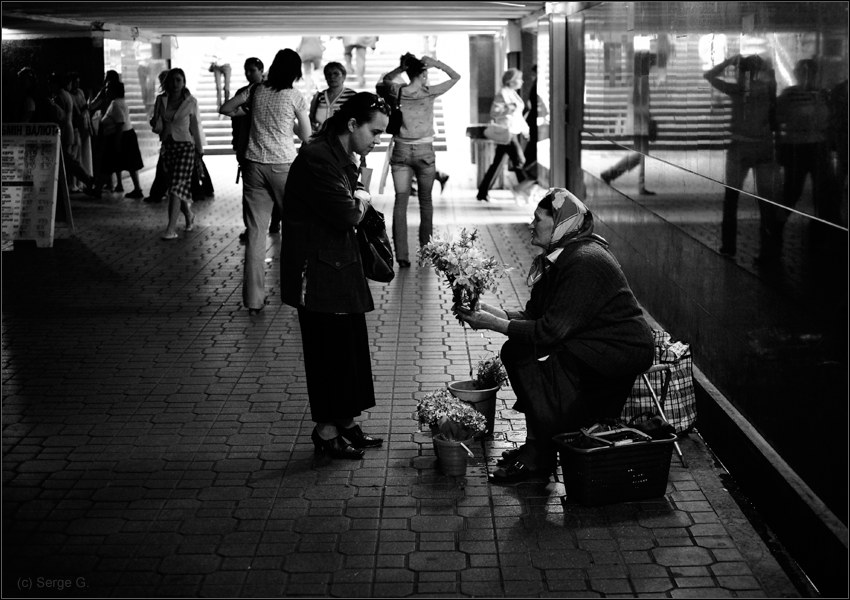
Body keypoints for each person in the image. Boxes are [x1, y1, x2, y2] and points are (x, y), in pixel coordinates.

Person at [455, 188, 654, 484]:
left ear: (560, 223)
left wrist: (490, 323)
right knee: (518, 351)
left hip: (617, 351)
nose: (530, 225)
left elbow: (550, 331)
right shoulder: (561, 255)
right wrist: (487, 310)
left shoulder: (583, 260)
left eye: (538, 219)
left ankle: (542, 449)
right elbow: (535, 316)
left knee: (534, 361)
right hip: (589, 343)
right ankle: (540, 445)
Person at [280, 91, 390, 460]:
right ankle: (326, 431)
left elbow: (353, 205)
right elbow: (347, 214)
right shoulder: (317, 159)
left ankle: (345, 423)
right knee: (327, 352)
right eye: (375, 132)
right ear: (352, 124)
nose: (378, 141)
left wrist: (359, 196)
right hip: (319, 276)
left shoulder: (342, 156)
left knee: (349, 349)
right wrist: (361, 197)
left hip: (340, 268)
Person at [219, 49, 311, 314]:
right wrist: (290, 124)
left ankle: (254, 300)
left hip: (253, 166)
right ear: (295, 71)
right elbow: (306, 136)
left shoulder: (256, 90)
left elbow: (226, 108)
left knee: (256, 233)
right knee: (296, 228)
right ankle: (298, 291)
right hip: (283, 166)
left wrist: (244, 115)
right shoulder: (294, 96)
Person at [380, 52, 460, 268]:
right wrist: (436, 63)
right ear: (424, 74)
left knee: (400, 201)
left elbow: (384, 81)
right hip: (425, 151)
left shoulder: (398, 91)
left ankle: (402, 256)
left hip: (401, 151)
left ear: (408, 72)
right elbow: (456, 77)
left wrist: (401, 69)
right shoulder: (429, 92)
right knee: (426, 201)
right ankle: (426, 251)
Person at [704, 54, 782, 264]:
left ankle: (728, 246)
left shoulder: (738, 90)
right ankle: (769, 252)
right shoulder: (768, 89)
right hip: (764, 147)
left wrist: (728, 62)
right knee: (766, 203)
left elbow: (708, 75)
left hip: (739, 147)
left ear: (742, 72)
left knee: (731, 198)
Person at [775, 59, 832, 231]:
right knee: (794, 190)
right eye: (804, 73)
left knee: (818, 190)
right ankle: (777, 224)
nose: (807, 77)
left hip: (811, 146)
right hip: (802, 146)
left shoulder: (820, 94)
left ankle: (820, 227)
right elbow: (778, 118)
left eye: (810, 73)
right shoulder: (792, 95)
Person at [150, 68, 206, 240]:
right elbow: (157, 124)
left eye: (179, 80)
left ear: (184, 82)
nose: (175, 84)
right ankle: (188, 214)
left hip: (186, 147)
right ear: (167, 82)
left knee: (175, 187)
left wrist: (199, 149)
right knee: (175, 186)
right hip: (168, 146)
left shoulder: (191, 102)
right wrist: (155, 122)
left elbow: (195, 126)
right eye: (172, 80)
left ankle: (170, 229)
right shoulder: (161, 100)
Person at [222, 57, 265, 244]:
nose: (249, 74)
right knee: (250, 194)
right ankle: (251, 228)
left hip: (263, 146)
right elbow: (235, 122)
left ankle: (272, 223)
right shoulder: (243, 93)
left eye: (252, 70)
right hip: (246, 147)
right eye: (246, 70)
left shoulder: (268, 92)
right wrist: (237, 145)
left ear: (261, 70)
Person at [601, 51, 656, 195]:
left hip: (638, 120)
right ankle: (613, 174)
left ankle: (614, 174)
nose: (652, 66)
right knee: (640, 154)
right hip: (640, 122)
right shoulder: (641, 79)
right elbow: (638, 102)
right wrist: (648, 118)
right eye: (650, 63)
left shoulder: (639, 78)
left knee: (641, 154)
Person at [476, 68, 529, 202]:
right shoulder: (503, 93)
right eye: (519, 78)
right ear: (511, 81)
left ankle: (482, 192)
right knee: (520, 160)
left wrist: (525, 129)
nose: (522, 81)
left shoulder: (512, 93)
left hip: (512, 132)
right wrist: (507, 109)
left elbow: (518, 115)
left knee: (497, 163)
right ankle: (524, 190)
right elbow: (494, 112)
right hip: (507, 131)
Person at [99, 81, 145, 198]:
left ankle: (98, 188)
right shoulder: (119, 102)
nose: (106, 90)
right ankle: (127, 186)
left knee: (117, 163)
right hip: (125, 135)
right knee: (126, 164)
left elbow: (120, 123)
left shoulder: (115, 103)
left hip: (122, 136)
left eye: (108, 89)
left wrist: (117, 142)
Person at [309, 61, 357, 131]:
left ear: (344, 76)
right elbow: (311, 119)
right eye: (328, 74)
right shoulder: (318, 97)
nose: (332, 77)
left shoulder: (352, 96)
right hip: (321, 139)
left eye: (336, 74)